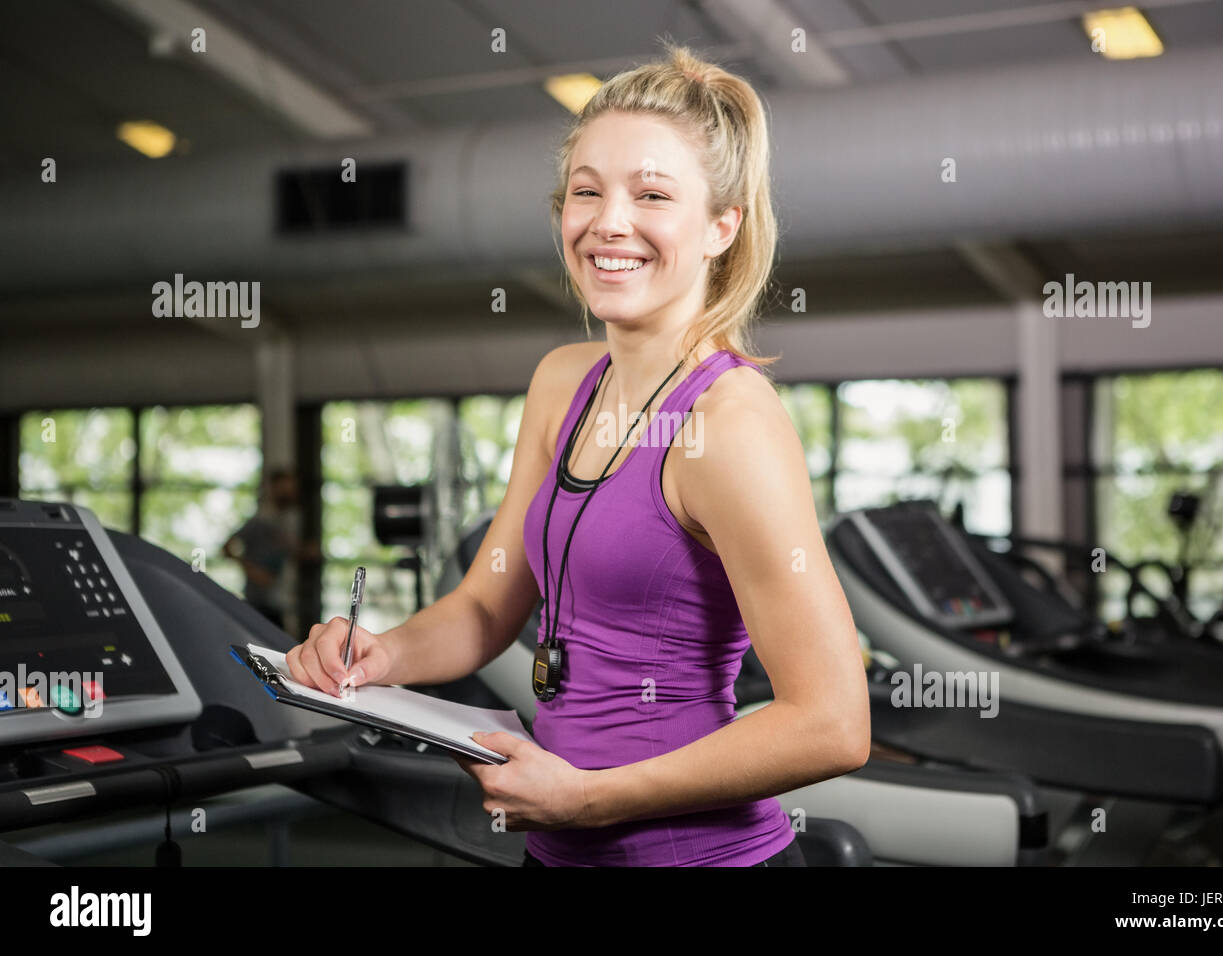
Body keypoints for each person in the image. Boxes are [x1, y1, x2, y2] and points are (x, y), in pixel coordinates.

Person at [285, 41, 871, 867]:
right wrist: (386, 654)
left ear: (721, 226)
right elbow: (485, 606)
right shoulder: (563, 382)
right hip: (557, 849)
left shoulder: (729, 422)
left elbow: (834, 723)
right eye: (587, 191)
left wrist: (589, 798)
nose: (609, 222)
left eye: (652, 195)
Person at [224, 467, 315, 633]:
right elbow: (227, 548)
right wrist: (253, 570)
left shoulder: (289, 521)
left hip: (280, 602)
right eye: (285, 488)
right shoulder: (260, 522)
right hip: (259, 602)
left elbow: (293, 553)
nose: (290, 492)